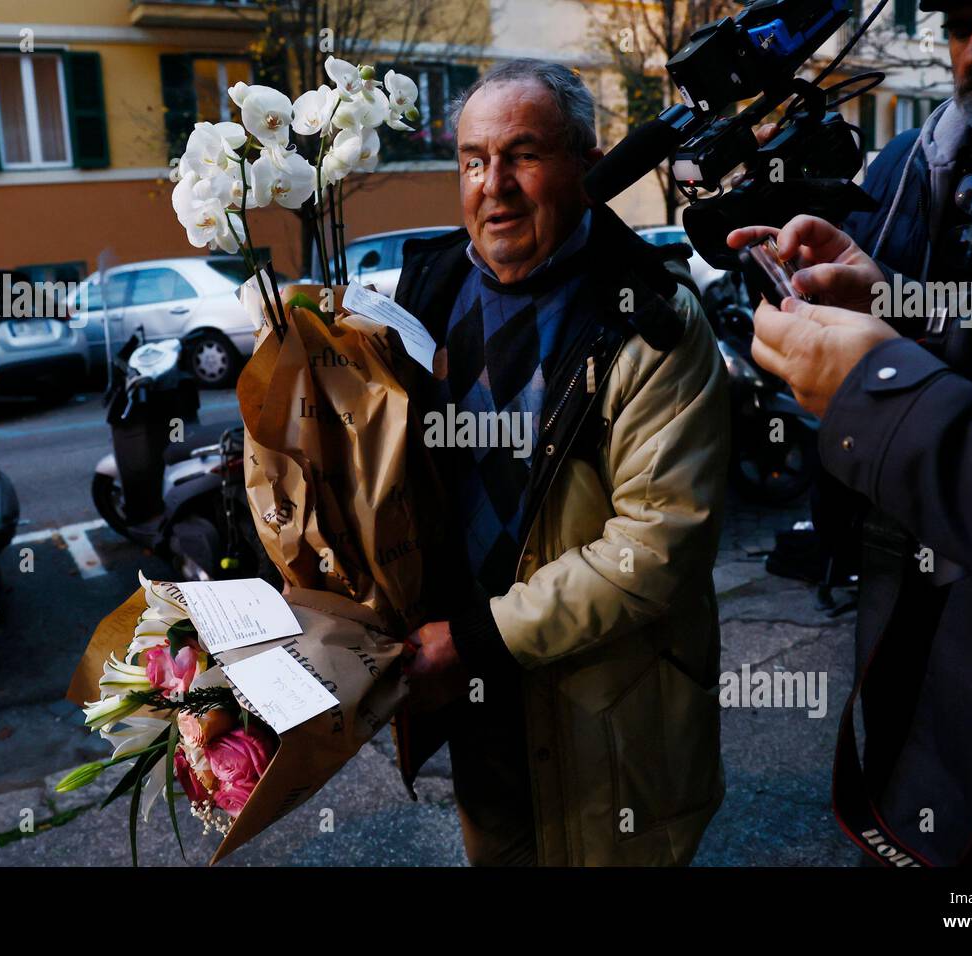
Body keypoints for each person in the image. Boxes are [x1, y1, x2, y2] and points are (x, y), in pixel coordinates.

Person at [727, 0, 972, 864]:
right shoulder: (912, 163)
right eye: (957, 21)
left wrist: (881, 391)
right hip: (913, 673)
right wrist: (882, 304)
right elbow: (969, 345)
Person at [394, 60, 730, 866]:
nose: (494, 185)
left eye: (524, 155)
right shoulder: (427, 291)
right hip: (477, 706)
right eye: (474, 160)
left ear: (587, 164)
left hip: (607, 713)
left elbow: (654, 550)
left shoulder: (654, 321)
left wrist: (471, 640)